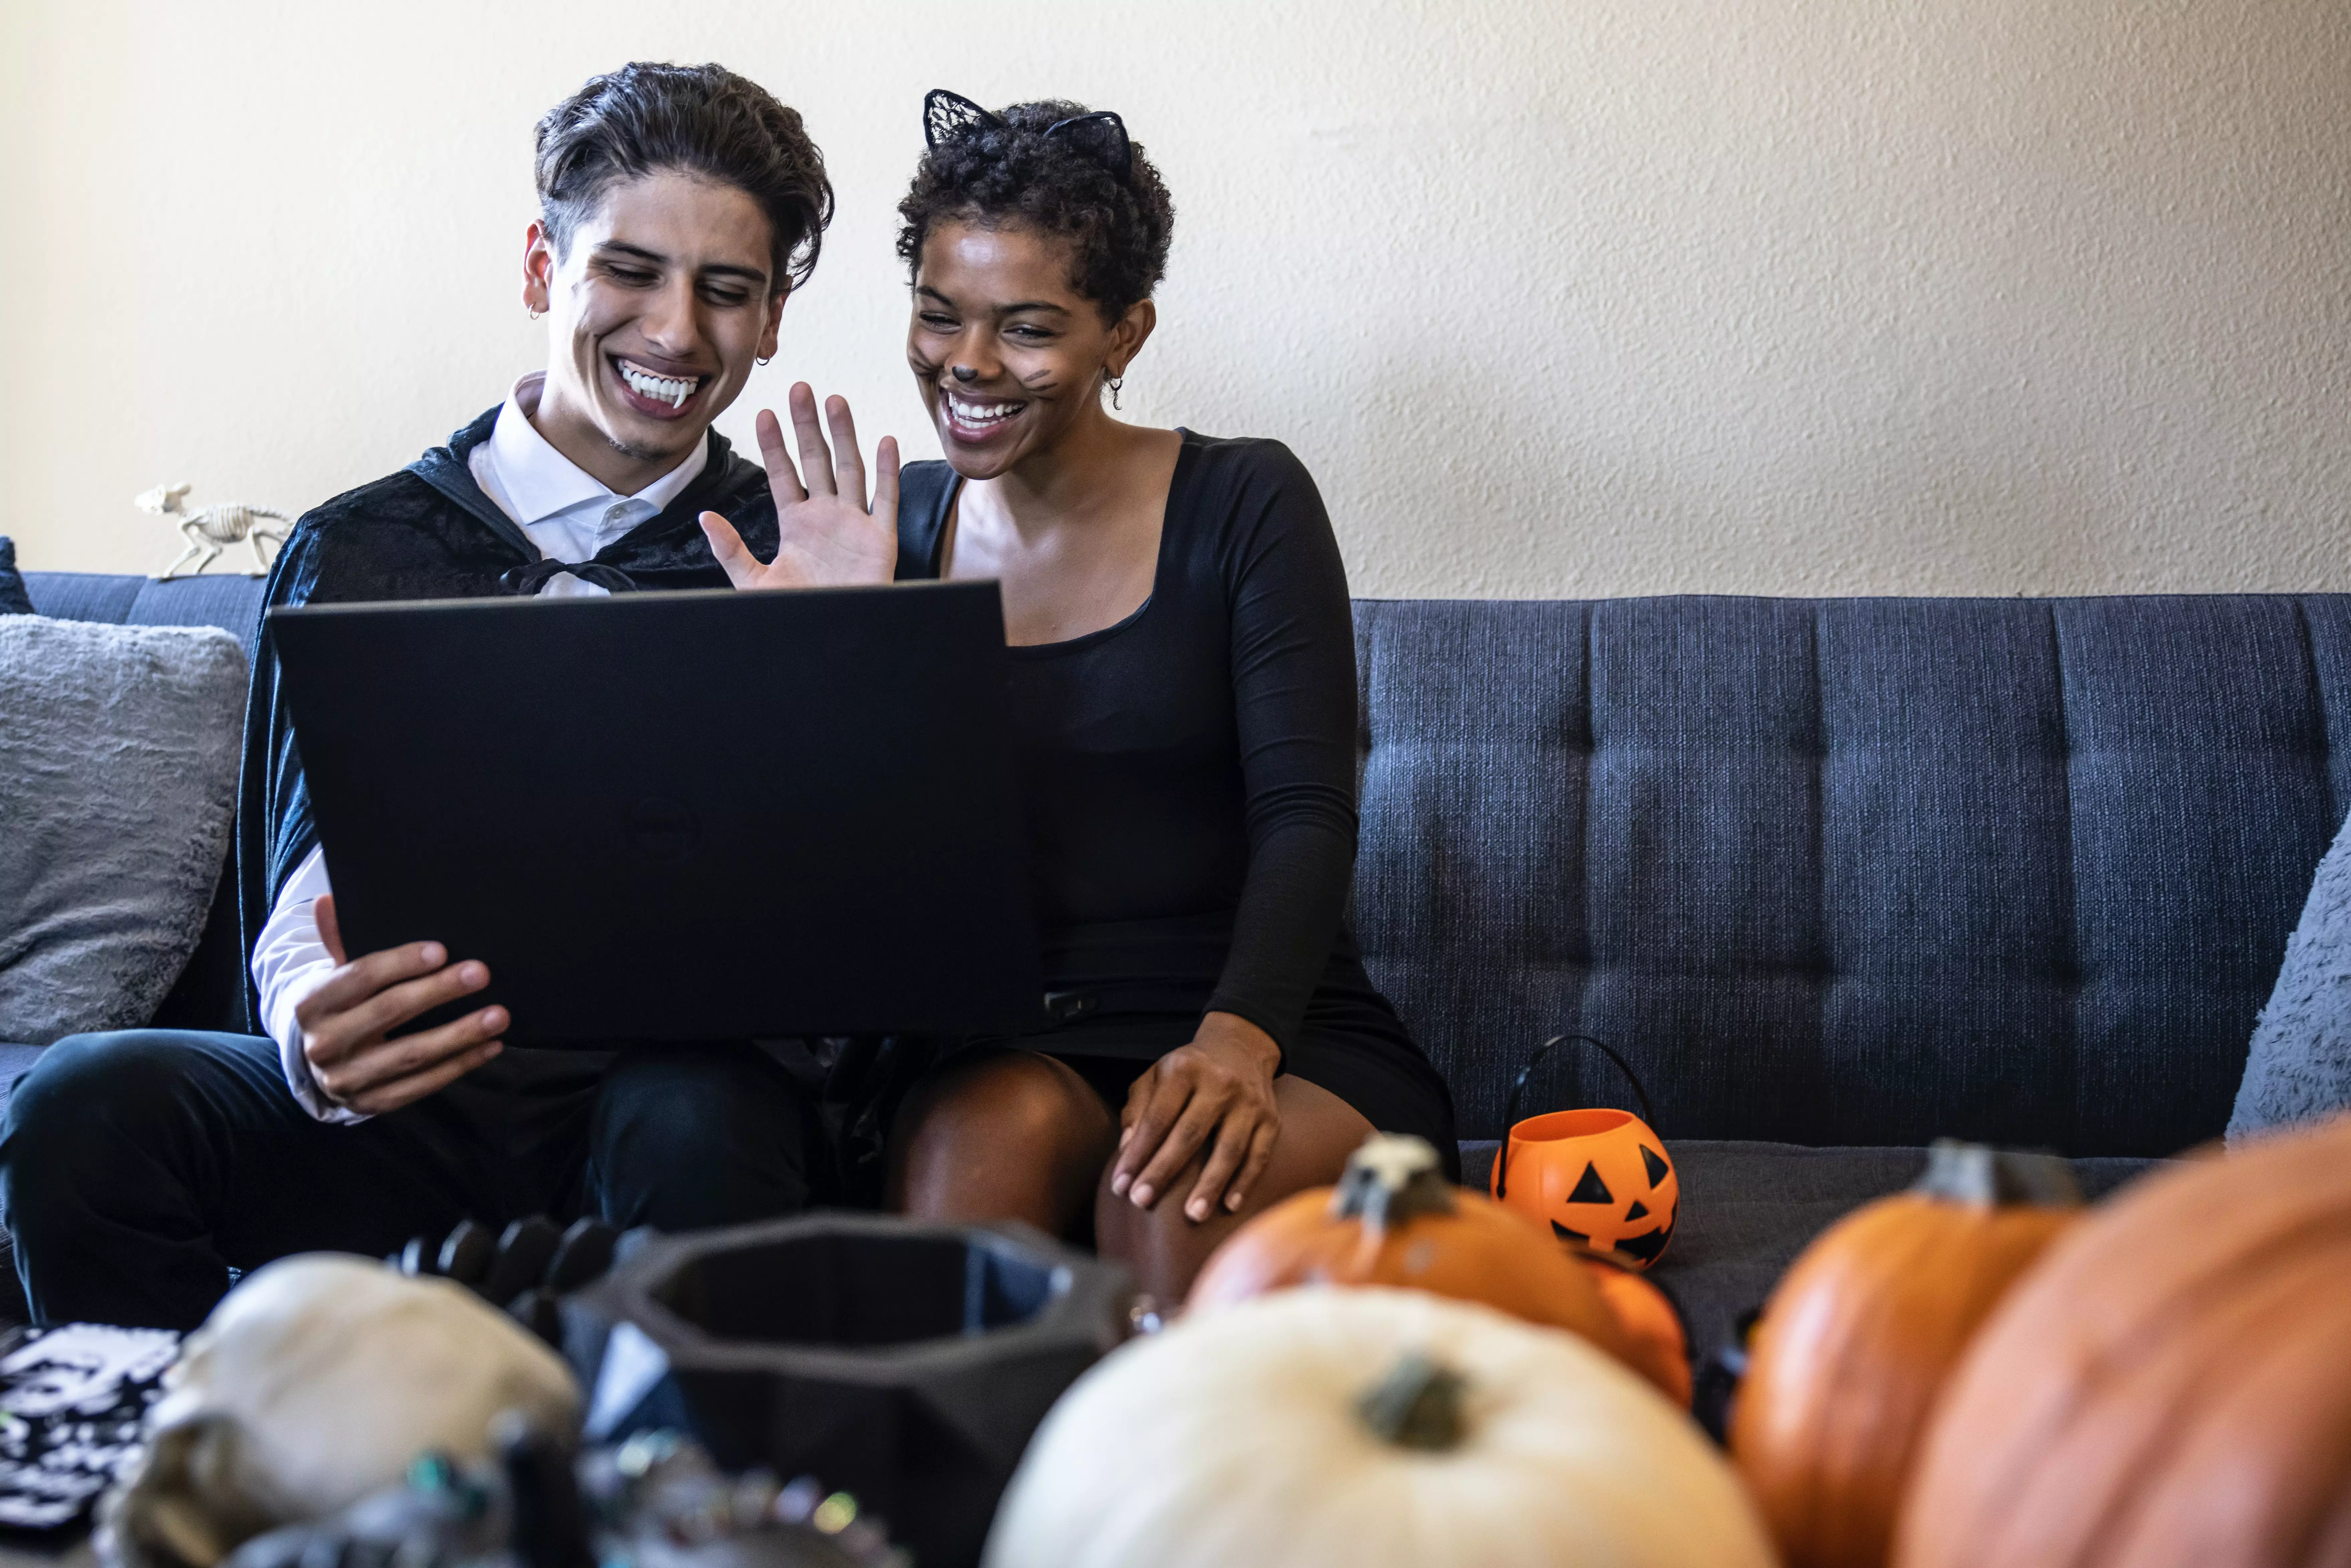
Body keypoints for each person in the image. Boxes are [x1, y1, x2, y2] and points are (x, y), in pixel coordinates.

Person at [0, 61, 899, 1329]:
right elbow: (303, 865)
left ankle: (667, 1510)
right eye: (629, 271)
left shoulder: (807, 554)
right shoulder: (363, 542)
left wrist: (835, 667)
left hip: (669, 1106)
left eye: (728, 290)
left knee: (702, 1115)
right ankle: (188, 1464)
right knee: (84, 1105)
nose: (677, 332)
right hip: (403, 1097)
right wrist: (308, 1017)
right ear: (543, 268)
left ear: (771, 318)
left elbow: (865, 951)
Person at [726, 91, 1459, 1301]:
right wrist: (828, 654)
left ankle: (1164, 1489)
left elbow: (1308, 814)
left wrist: (1236, 1041)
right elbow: (840, 876)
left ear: (1124, 334)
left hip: (1273, 1030)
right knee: (969, 1173)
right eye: (937, 314)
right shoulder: (875, 533)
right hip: (1005, 1040)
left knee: (1164, 1195)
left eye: (1026, 328)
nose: (967, 363)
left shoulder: (1246, 502)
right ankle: (971, 1485)